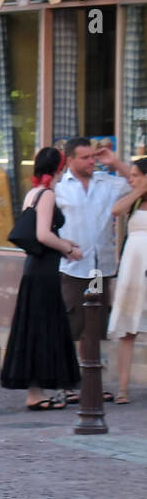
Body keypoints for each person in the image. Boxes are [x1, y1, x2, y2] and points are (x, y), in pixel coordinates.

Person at [1, 147, 83, 410]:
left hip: (35, 269)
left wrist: (64, 243)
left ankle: (42, 390)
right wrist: (68, 249)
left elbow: (44, 234)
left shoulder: (33, 193)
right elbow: (43, 235)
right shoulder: (46, 195)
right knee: (43, 329)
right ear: (59, 167)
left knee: (38, 330)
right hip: (43, 273)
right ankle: (38, 394)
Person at [55, 135, 132, 400]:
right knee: (74, 322)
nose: (91, 162)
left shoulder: (105, 182)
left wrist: (115, 162)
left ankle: (93, 382)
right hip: (73, 266)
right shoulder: (60, 188)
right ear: (71, 159)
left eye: (92, 157)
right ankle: (74, 382)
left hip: (100, 267)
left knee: (95, 323)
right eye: (85, 158)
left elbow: (136, 183)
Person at [105, 157, 147, 403]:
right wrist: (139, 190)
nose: (130, 179)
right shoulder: (134, 201)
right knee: (128, 331)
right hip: (132, 269)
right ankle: (122, 388)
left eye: (135, 175)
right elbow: (115, 210)